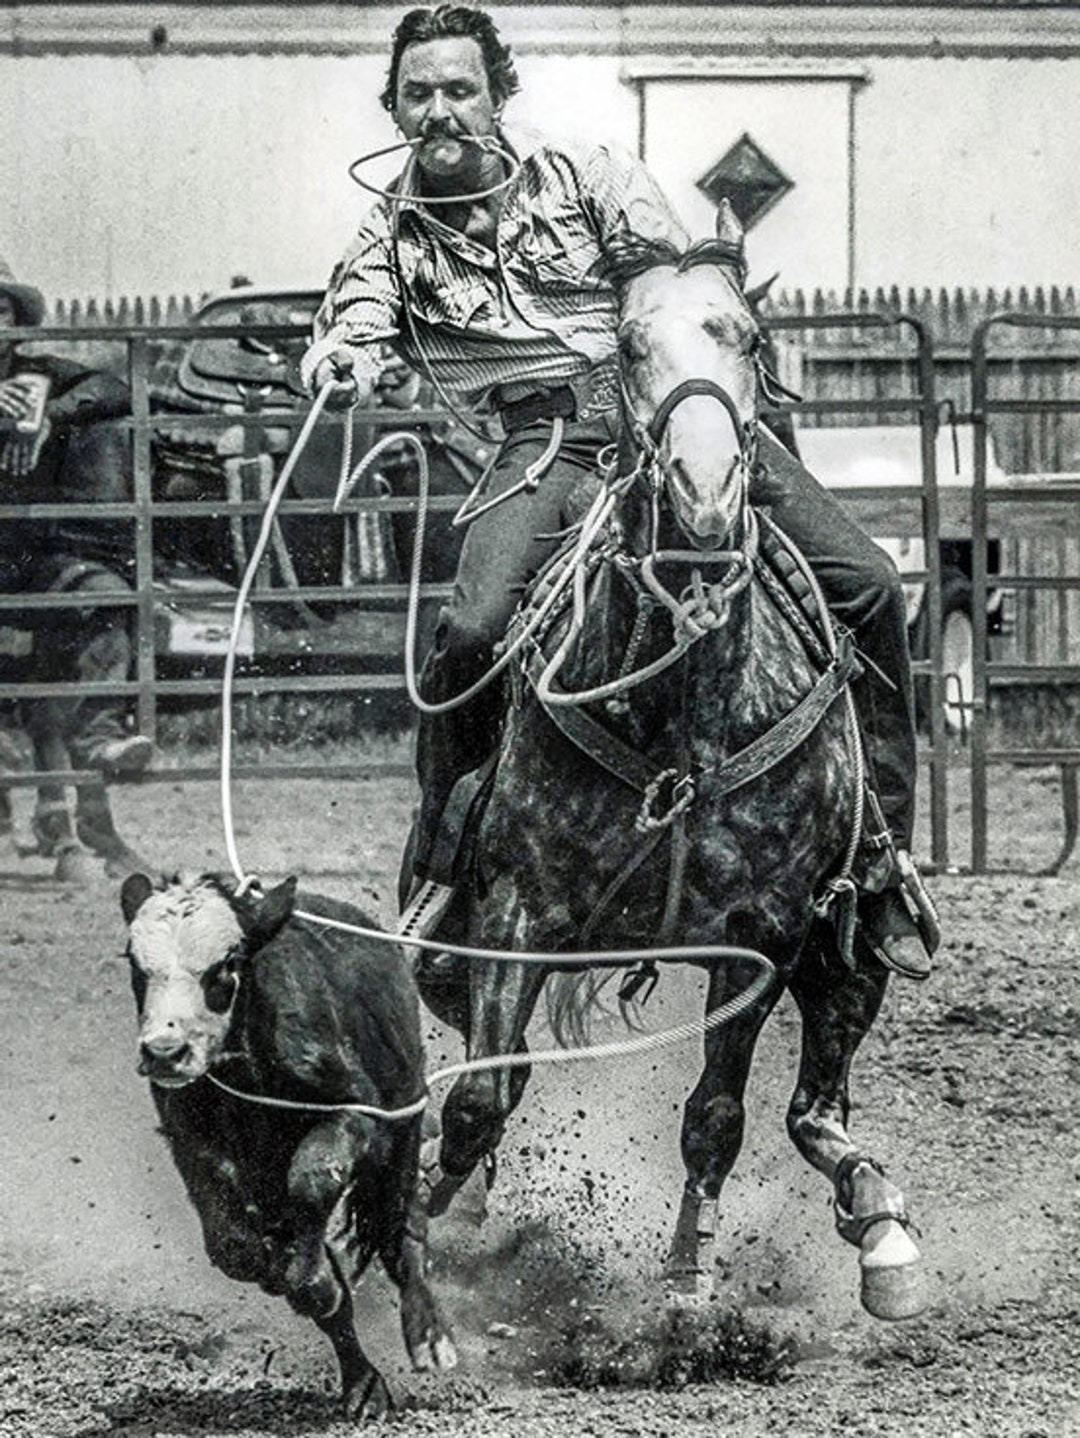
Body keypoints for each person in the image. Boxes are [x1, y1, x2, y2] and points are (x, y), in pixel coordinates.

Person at [302, 4, 934, 979]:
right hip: (544, 444)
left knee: (870, 585)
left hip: (669, 412)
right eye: (418, 93)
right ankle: (445, 865)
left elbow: (680, 289)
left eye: (460, 89)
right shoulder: (391, 235)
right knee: (469, 633)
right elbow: (354, 318)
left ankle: (880, 858)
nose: (440, 111)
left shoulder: (587, 175)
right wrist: (341, 359)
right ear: (394, 108)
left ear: (498, 96)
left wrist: (697, 401)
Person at [0, 258, 152, 812]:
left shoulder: (39, 376)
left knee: (108, 597)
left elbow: (115, 388)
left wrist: (50, 415)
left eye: (3, 310)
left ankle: (99, 734)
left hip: (31, 556)